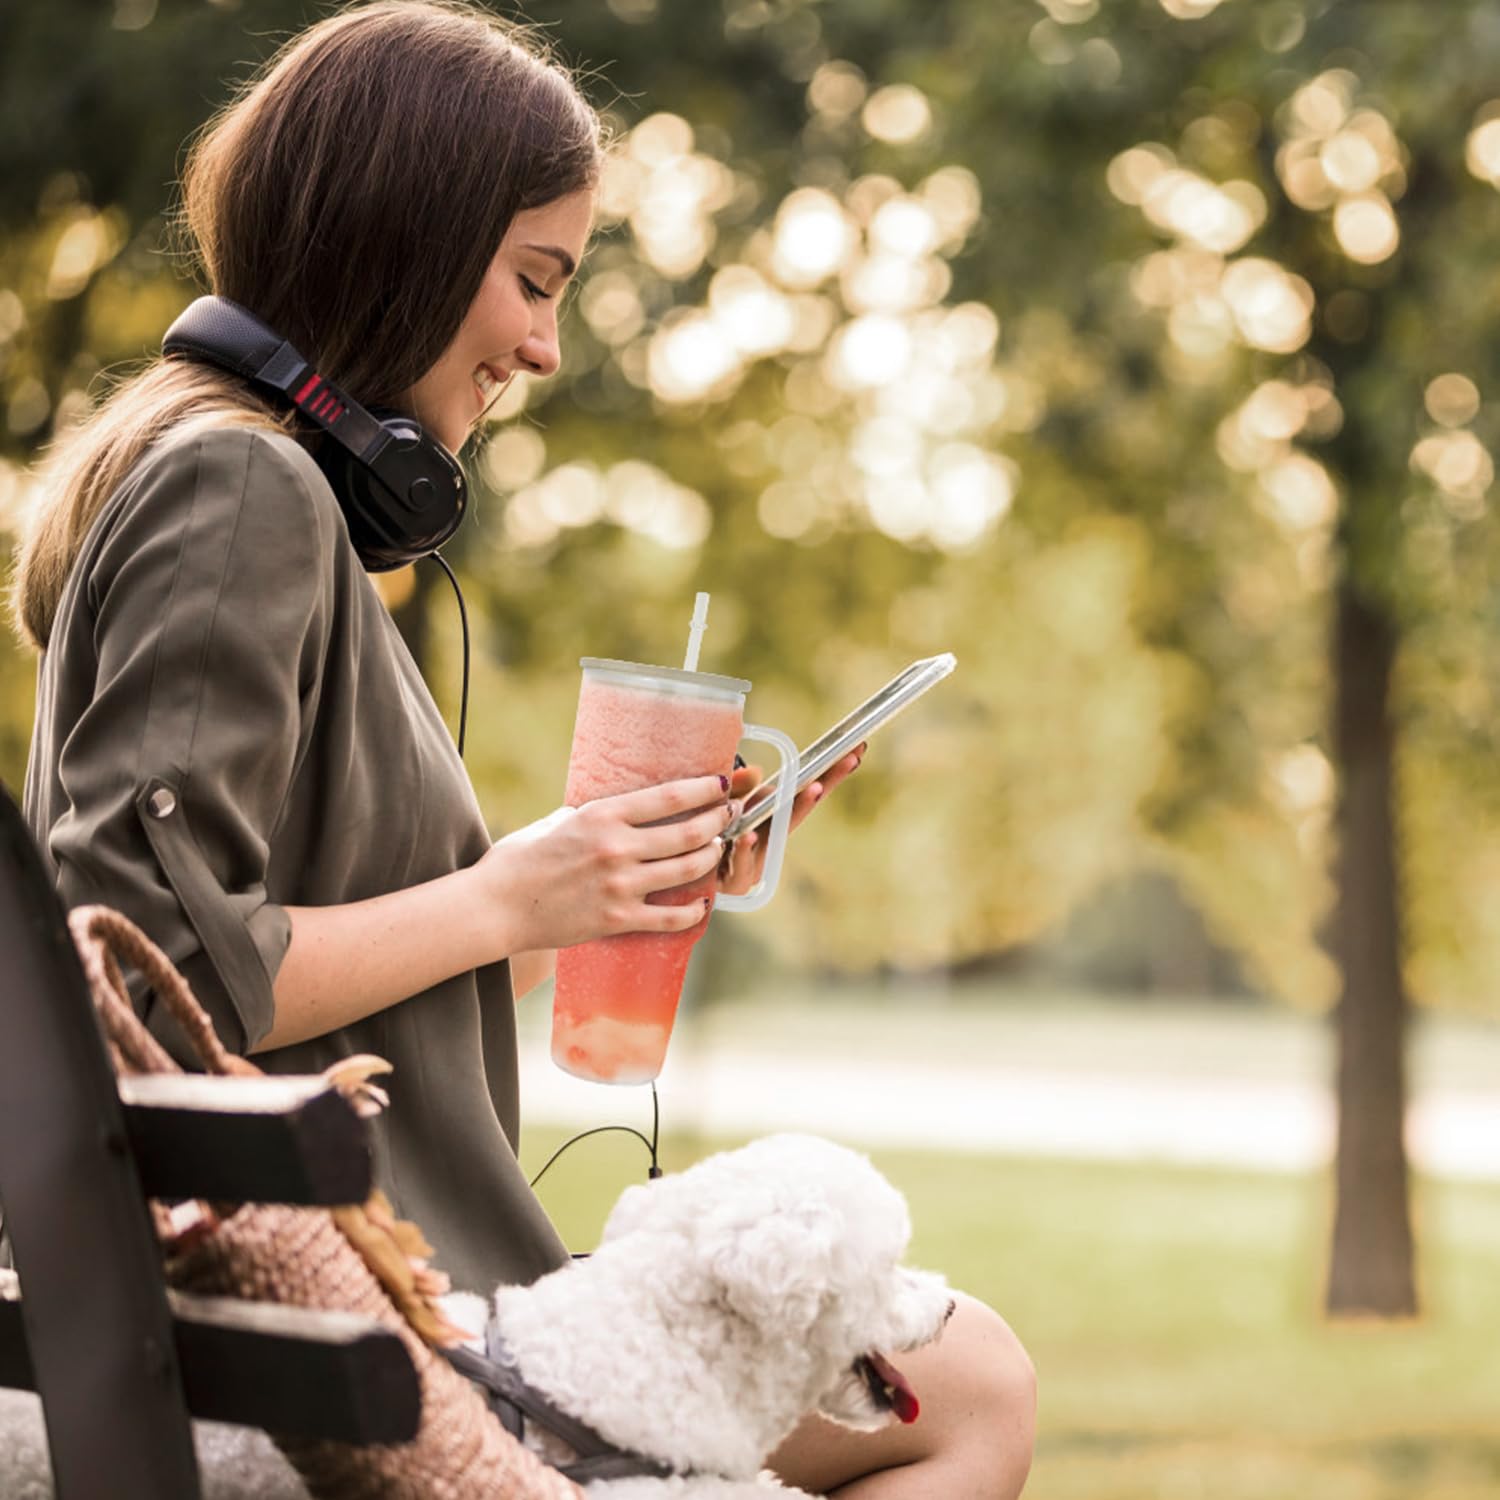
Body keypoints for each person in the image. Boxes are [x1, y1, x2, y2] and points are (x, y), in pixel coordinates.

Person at [9, 3, 1034, 1495]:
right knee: (979, 1388)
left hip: (345, 1298)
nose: (546, 348)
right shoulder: (245, 489)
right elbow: (155, 972)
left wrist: (600, 887)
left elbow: (287, 971)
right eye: (533, 281)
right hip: (373, 1322)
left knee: (959, 1372)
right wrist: (512, 894)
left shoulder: (219, 481)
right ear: (404, 241)